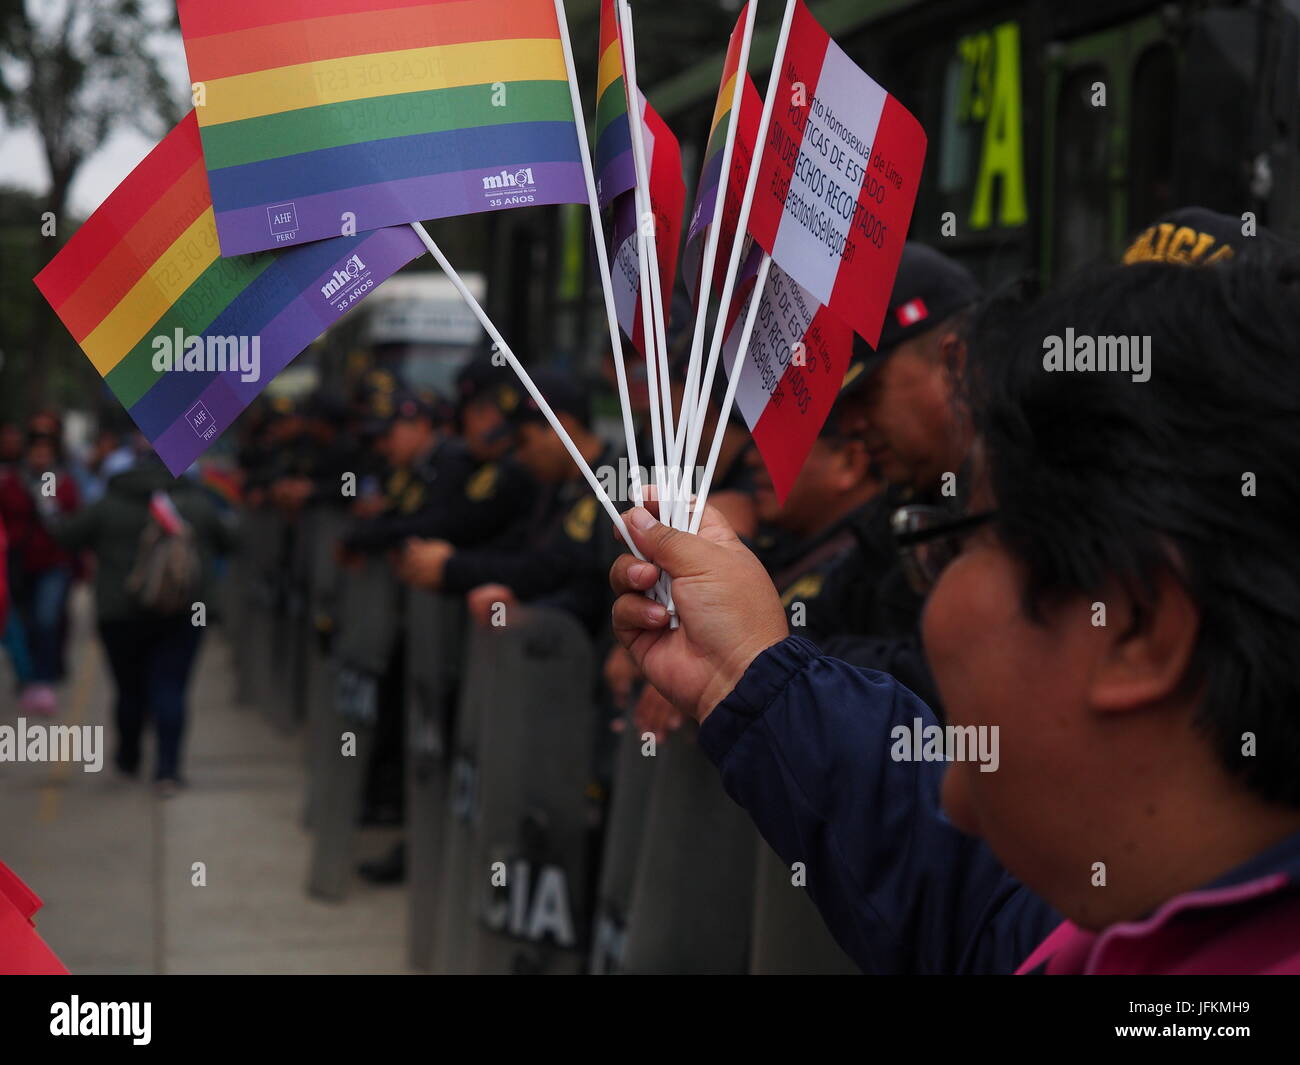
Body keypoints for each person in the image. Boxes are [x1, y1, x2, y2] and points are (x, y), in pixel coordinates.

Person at [608, 255, 1300, 974]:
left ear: (1135, 625)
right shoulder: (1105, 920)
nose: (931, 597)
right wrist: (742, 668)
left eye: (965, 537)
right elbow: (964, 895)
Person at [55, 451, 237, 794]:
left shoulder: (108, 504)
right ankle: (167, 770)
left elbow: (66, 537)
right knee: (171, 688)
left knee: (129, 689)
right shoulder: (196, 503)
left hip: (118, 614)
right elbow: (232, 543)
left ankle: (128, 760)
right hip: (184, 611)